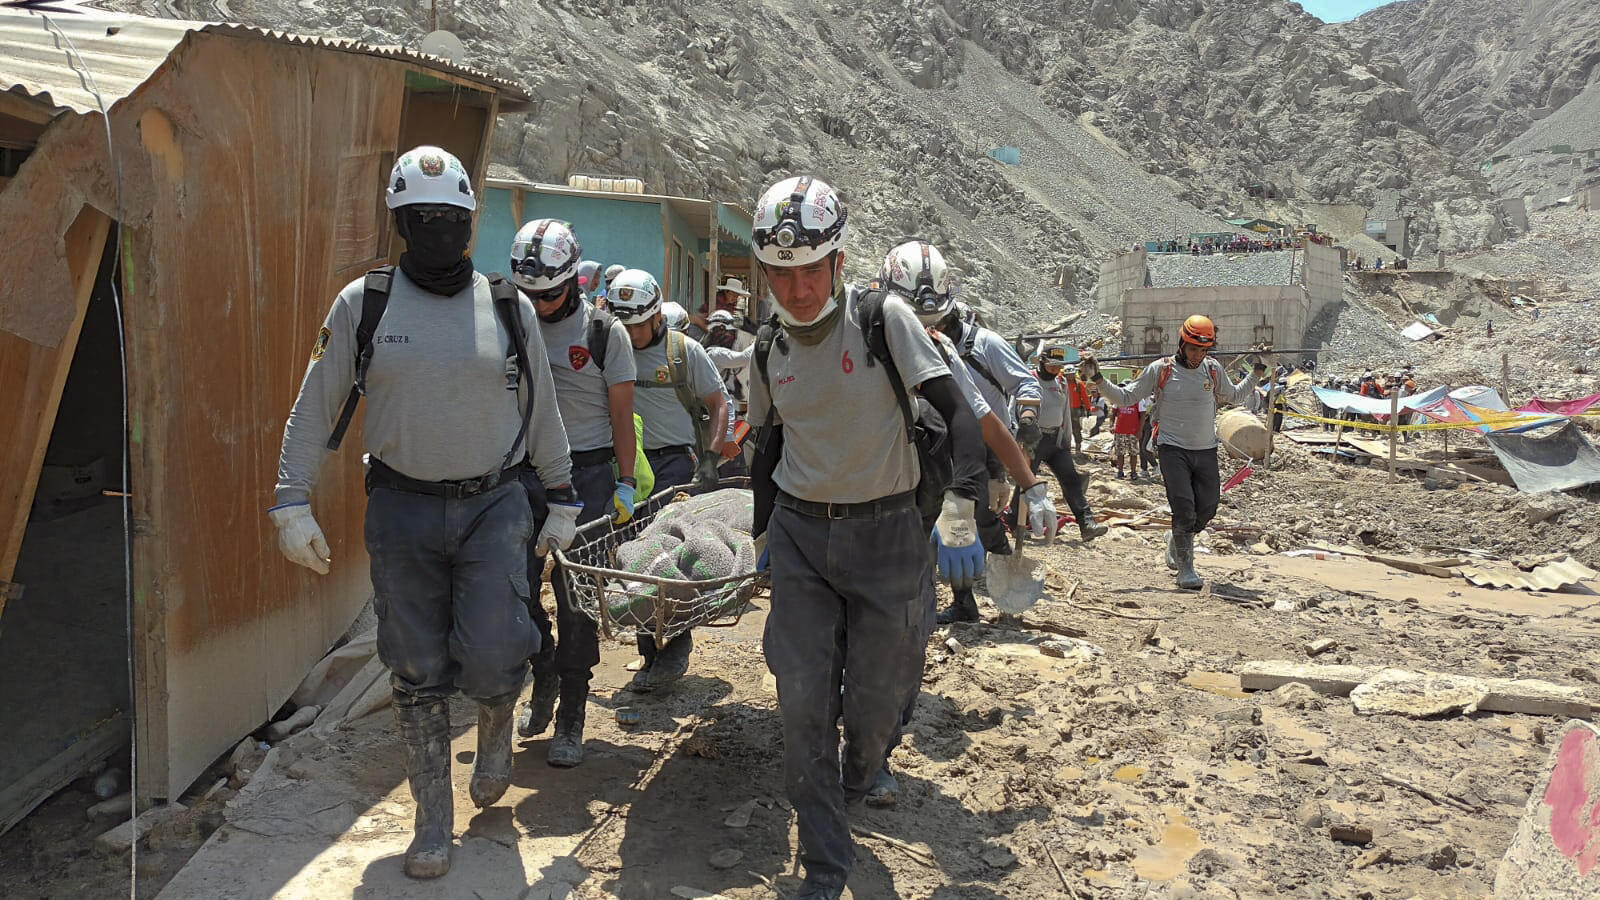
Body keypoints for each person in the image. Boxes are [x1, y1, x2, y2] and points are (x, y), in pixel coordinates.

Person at [268, 147, 577, 879]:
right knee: (414, 664)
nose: (438, 228)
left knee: (500, 648)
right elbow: (313, 407)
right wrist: (289, 499)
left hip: (495, 505)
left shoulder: (505, 304)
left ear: (471, 221)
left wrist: (562, 496)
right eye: (422, 218)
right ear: (402, 223)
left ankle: (498, 718)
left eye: (451, 217)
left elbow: (542, 409)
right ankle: (433, 819)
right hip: (402, 507)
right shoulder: (363, 303)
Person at [746, 176, 987, 900]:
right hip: (800, 539)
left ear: (839, 263)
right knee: (802, 697)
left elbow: (959, 413)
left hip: (887, 538)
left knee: (878, 697)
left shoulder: (884, 319)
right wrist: (759, 535)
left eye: (809, 270)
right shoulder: (767, 348)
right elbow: (765, 448)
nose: (795, 289)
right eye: (780, 274)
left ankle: (861, 767)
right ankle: (825, 862)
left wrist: (962, 511)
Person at [507, 218, 640, 768]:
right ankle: (541, 674)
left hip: (586, 476)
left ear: (574, 283)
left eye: (551, 294)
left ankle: (572, 711)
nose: (539, 307)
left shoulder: (605, 334)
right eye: (529, 295)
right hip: (521, 473)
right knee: (511, 587)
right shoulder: (509, 322)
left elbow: (622, 414)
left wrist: (627, 483)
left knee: (574, 597)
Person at [609, 268, 731, 691]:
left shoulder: (684, 352)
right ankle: (649, 652)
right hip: (628, 467)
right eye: (624, 325)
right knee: (635, 560)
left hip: (675, 467)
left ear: (656, 317)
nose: (631, 333)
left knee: (667, 555)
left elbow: (719, 404)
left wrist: (712, 458)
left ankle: (676, 644)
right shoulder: (611, 348)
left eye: (638, 325)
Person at [1082, 315, 1262, 591]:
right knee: (1183, 505)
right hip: (1171, 448)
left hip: (1205, 449)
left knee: (1208, 507)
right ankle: (1186, 568)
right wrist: (1097, 378)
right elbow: (1126, 397)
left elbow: (1235, 395)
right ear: (1181, 344)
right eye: (1193, 349)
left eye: (1204, 350)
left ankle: (1177, 539)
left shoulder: (1212, 370)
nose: (1198, 355)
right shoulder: (1160, 369)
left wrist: (1258, 371)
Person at [932, 300, 1044, 624]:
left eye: (938, 326)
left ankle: (1004, 566)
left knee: (982, 517)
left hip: (990, 444)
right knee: (952, 522)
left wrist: (1027, 416)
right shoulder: (926, 345)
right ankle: (964, 600)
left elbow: (1023, 384)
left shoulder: (987, 345)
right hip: (945, 443)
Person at [1031, 345, 1108, 539]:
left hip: (1056, 440)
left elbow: (1064, 412)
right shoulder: (1029, 379)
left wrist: (1066, 440)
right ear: (1042, 363)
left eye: (1058, 366)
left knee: (1071, 480)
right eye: (1051, 366)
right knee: (1027, 482)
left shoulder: (1062, 383)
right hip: (1032, 440)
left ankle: (1086, 523)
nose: (1055, 370)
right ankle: (1015, 520)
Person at [1111, 381, 1142, 479]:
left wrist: (1140, 430)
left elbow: (1143, 415)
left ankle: (1133, 472)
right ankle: (1120, 472)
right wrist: (1111, 425)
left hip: (1133, 431)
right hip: (1120, 430)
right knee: (1120, 453)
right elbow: (1112, 412)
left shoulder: (1138, 399)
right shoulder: (1118, 400)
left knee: (1133, 453)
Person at [1066, 370, 1092, 453]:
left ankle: (1078, 447)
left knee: (1076, 429)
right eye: (1068, 374)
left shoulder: (1079, 384)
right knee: (1064, 429)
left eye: (1071, 374)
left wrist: (1088, 409)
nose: (1070, 376)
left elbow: (1085, 397)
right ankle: (1066, 448)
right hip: (1064, 410)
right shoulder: (1062, 383)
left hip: (1076, 410)